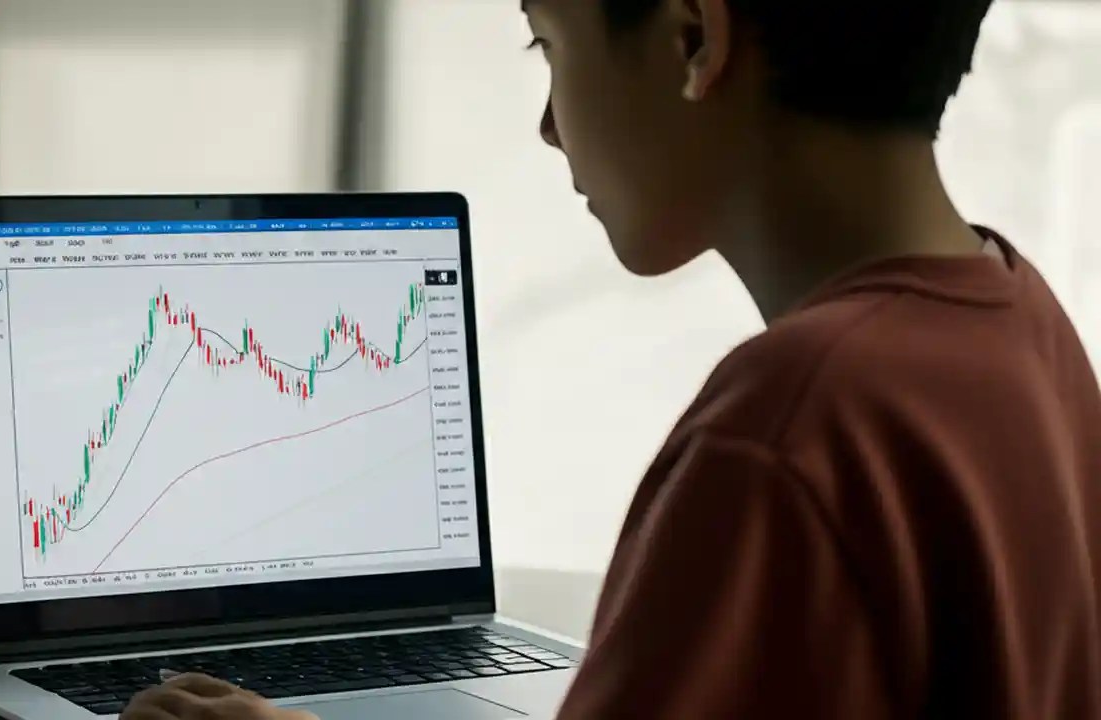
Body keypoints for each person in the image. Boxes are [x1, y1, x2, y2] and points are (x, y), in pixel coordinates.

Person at [123, 0, 1101, 717]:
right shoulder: (1023, 325)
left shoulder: (788, 428)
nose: (548, 126)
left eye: (547, 44)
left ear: (691, 41)